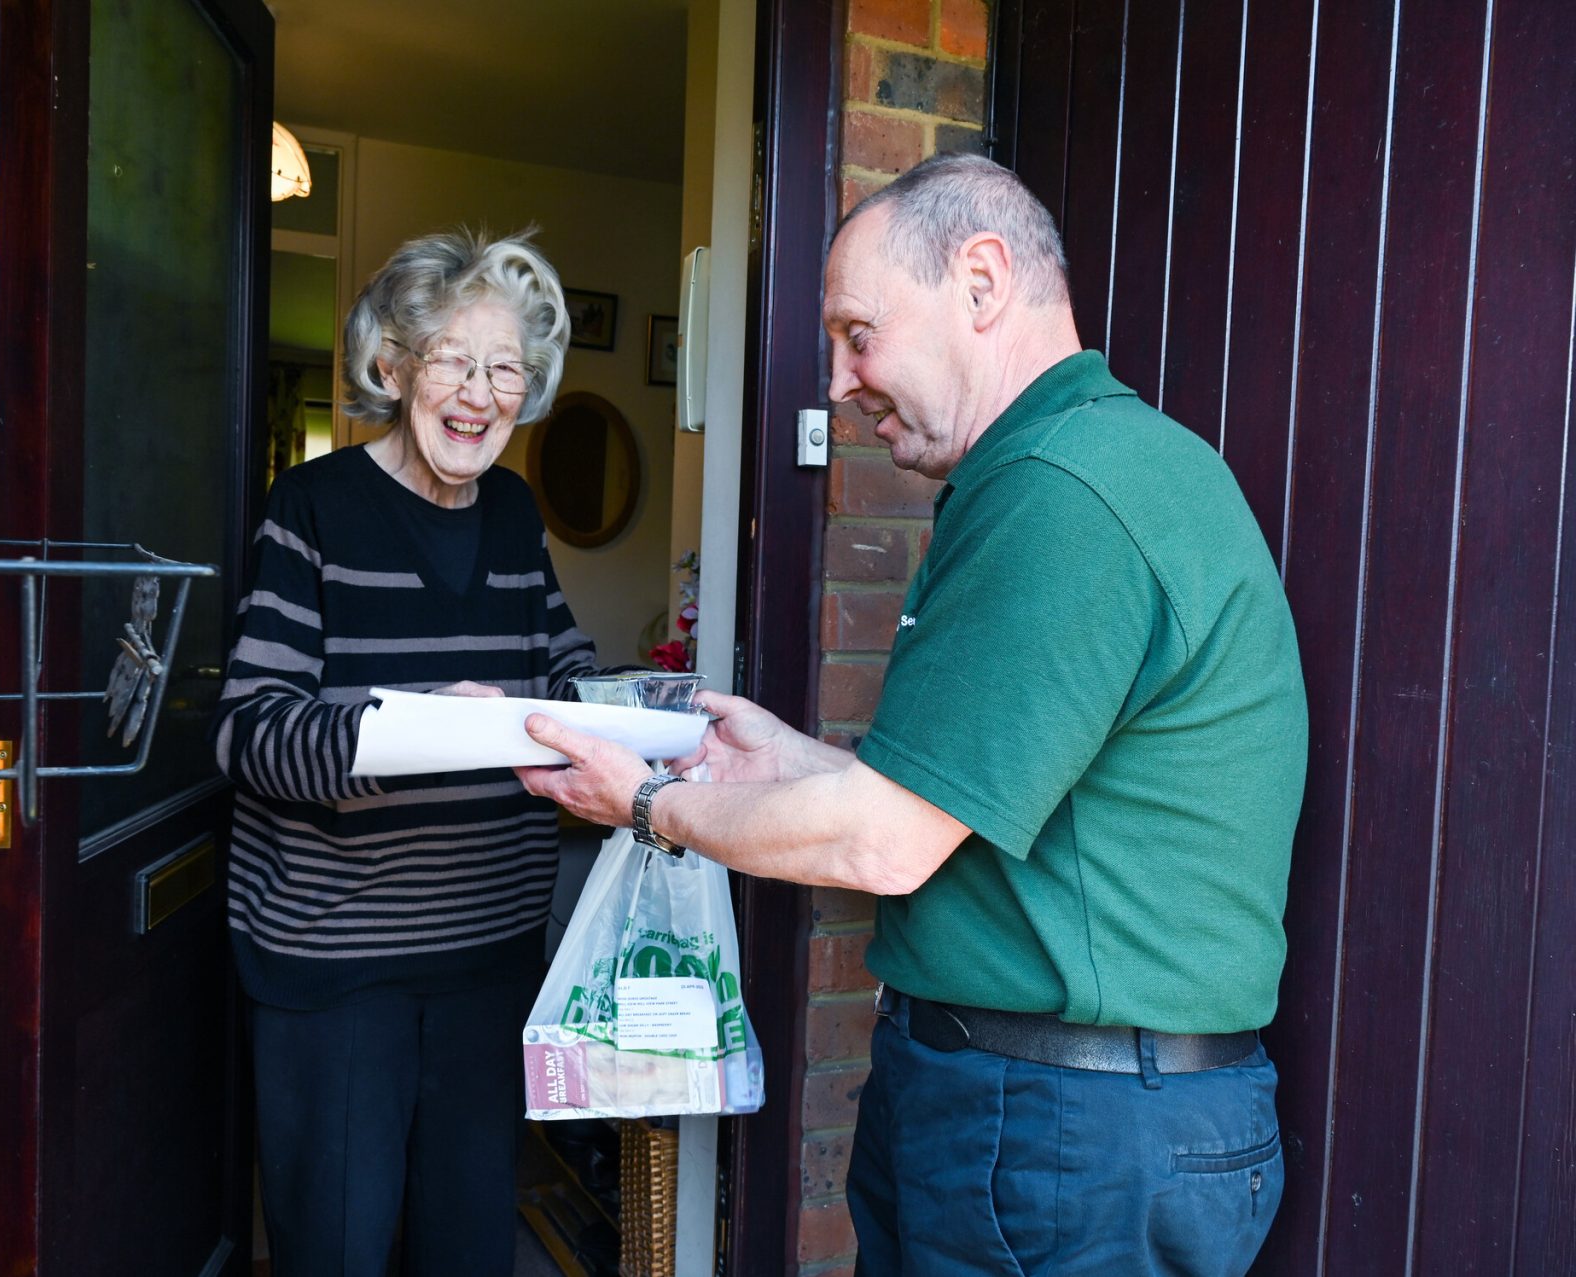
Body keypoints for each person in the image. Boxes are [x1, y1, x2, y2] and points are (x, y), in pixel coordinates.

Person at [516, 154, 1309, 1276]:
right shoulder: (1063, 471)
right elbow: (952, 796)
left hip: (1066, 1132)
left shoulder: (1067, 494)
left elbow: (886, 840)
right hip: (1053, 1114)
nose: (840, 380)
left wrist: (648, 801)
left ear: (981, 281)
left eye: (857, 332)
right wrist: (778, 757)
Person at [212, 228, 597, 1276]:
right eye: (453, 360)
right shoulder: (316, 508)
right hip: (338, 973)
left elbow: (570, 676)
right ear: (395, 365)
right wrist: (417, 722)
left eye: (506, 367)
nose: (479, 393)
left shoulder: (516, 514)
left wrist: (634, 717)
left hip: (489, 956)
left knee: (469, 1250)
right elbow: (251, 731)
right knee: (334, 1249)